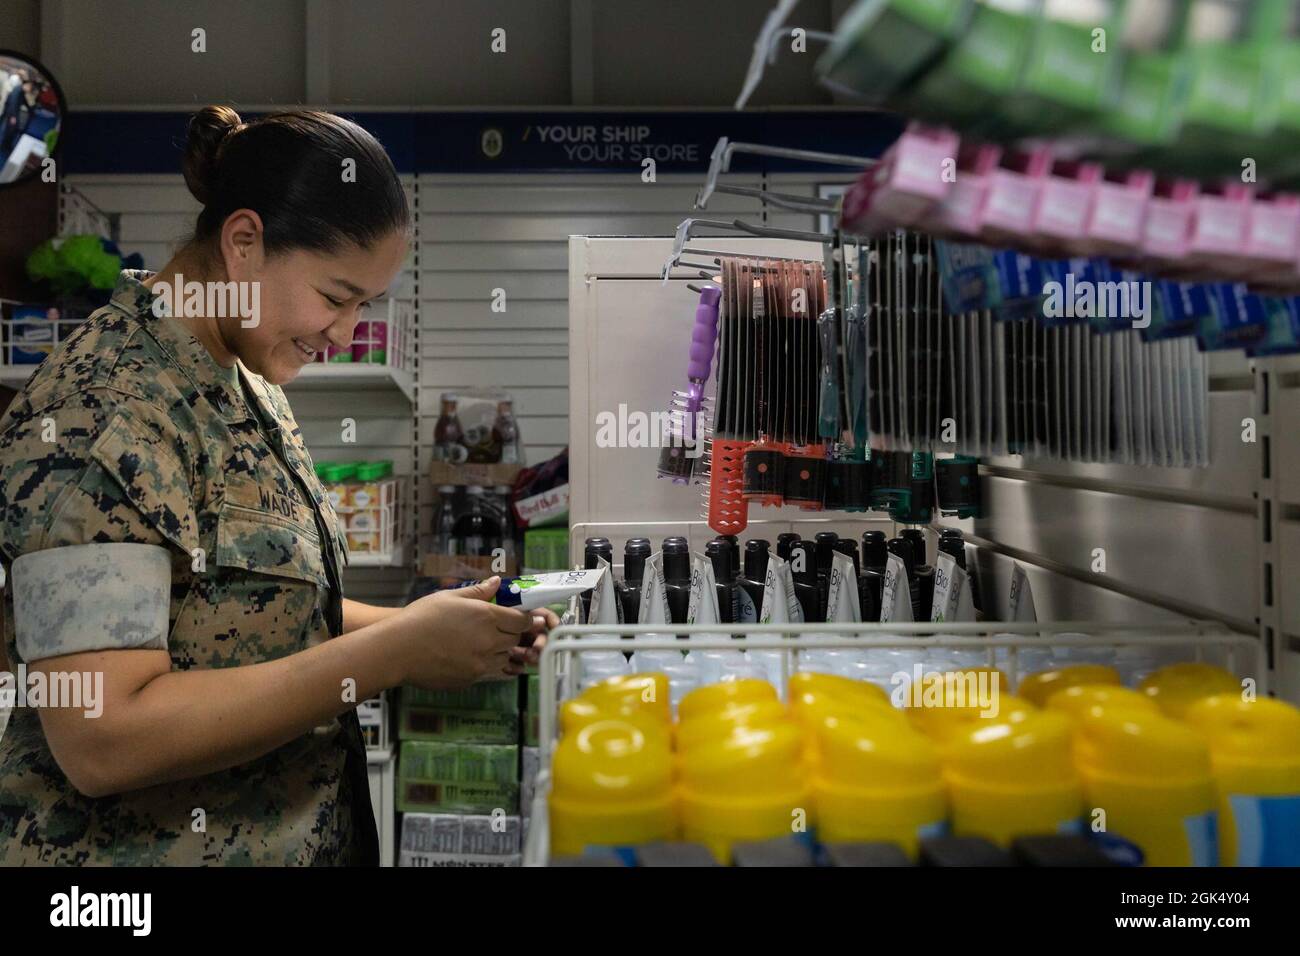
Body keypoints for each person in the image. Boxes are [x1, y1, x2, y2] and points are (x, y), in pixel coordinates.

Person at [0, 106, 553, 865]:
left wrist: (422, 627)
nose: (347, 333)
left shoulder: (245, 383)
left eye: (366, 306)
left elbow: (266, 604)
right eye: (335, 297)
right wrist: (387, 658)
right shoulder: (103, 409)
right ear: (244, 243)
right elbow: (105, 738)